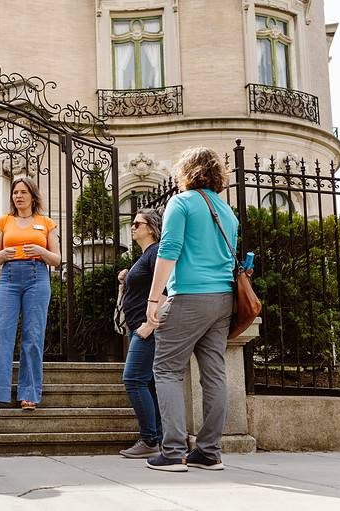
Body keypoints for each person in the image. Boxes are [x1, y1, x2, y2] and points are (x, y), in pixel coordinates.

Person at [145, 147, 238, 472]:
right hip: (223, 299)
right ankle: (209, 451)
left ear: (186, 172)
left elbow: (169, 249)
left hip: (189, 296)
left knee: (166, 369)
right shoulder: (227, 211)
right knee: (214, 374)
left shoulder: (181, 203)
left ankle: (173, 452)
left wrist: (153, 298)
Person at [0, 177, 61, 411]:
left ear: (33, 196)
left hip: (37, 278)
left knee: (33, 336)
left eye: (23, 192)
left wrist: (41, 250)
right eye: (15, 192)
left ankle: (29, 393)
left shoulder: (46, 223)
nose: (18, 196)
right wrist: (3, 255)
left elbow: (57, 259)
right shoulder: (4, 221)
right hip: (9, 279)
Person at [117, 208, 165, 458]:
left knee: (133, 379)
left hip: (146, 328)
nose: (133, 227)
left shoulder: (155, 252)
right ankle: (158, 438)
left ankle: (149, 439)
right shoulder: (146, 255)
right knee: (148, 382)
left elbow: (165, 288)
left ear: (151, 228)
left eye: (138, 224)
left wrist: (149, 325)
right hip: (138, 326)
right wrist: (126, 277)